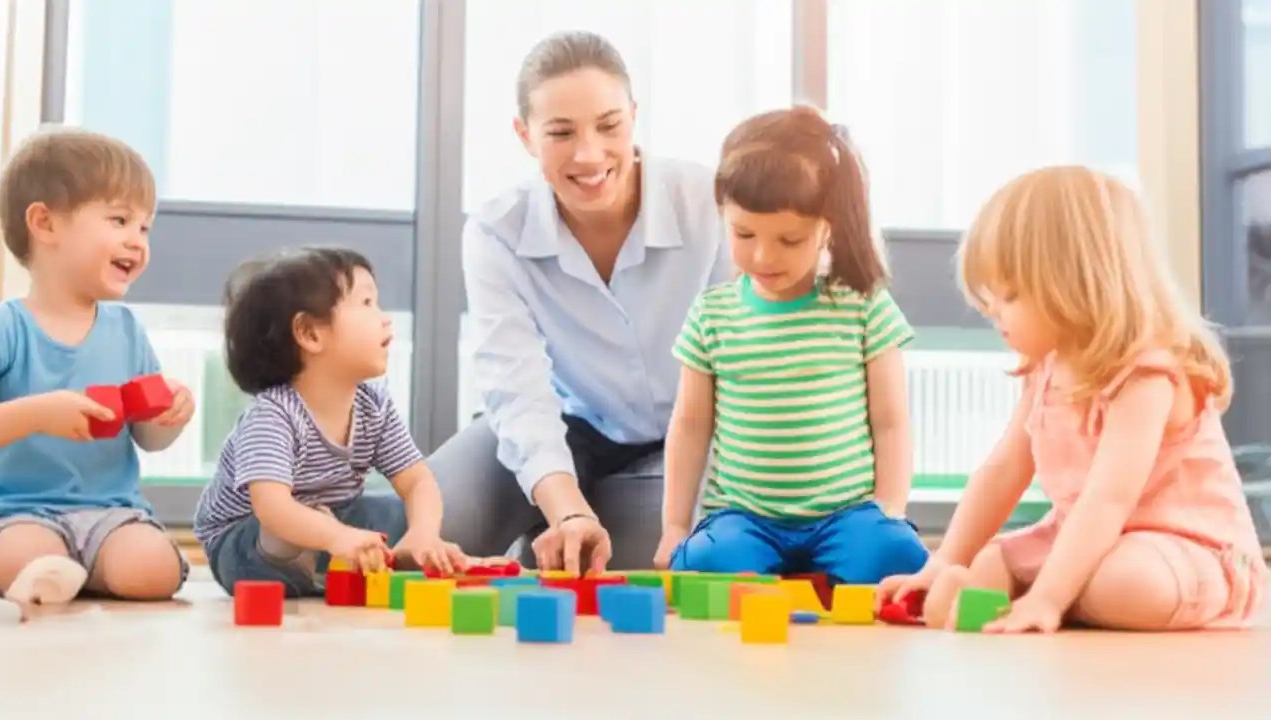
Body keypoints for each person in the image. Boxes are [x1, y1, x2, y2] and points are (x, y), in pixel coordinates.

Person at [880, 165, 1268, 632]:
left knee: (1132, 582)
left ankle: (1049, 597)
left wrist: (1046, 596)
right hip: (1083, 538)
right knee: (986, 564)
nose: (993, 312)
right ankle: (1041, 592)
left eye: (1011, 295)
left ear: (1076, 284)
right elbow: (1002, 471)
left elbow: (1108, 499)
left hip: (1183, 548)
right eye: (991, 296)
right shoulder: (1045, 368)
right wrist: (942, 562)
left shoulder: (1146, 376)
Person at [426, 30, 730, 573]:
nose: (589, 155)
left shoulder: (709, 205)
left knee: (645, 571)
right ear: (525, 135)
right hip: (565, 425)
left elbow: (743, 364)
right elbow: (516, 391)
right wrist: (566, 511)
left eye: (608, 125)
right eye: (560, 133)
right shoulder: (497, 232)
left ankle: (554, 532)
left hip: (683, 442)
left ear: (633, 116)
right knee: (424, 531)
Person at [652, 106, 929, 584]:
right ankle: (790, 573)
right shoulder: (712, 315)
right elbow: (691, 426)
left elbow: (891, 420)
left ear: (828, 226)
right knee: (706, 564)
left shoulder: (861, 306)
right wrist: (675, 526)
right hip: (744, 518)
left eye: (789, 239)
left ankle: (821, 566)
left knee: (895, 554)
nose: (763, 256)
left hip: (847, 515)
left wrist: (889, 508)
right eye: (744, 234)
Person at [0, 128, 193, 609]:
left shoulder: (125, 329)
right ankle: (61, 569)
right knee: (26, 555)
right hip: (16, 513)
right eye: (119, 220)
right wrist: (38, 414)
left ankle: (81, 570)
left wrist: (171, 416)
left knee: (153, 571)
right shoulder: (5, 327)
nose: (136, 241)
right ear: (45, 224)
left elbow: (148, 437)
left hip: (109, 512)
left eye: (144, 228)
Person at [193, 248, 467, 595]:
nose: (385, 319)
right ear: (309, 334)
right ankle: (327, 565)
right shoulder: (272, 416)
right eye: (366, 303)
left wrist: (422, 534)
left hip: (334, 520)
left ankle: (357, 562)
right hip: (247, 541)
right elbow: (272, 507)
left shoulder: (373, 405)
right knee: (285, 530)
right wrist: (336, 535)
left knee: (401, 512)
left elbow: (417, 482)